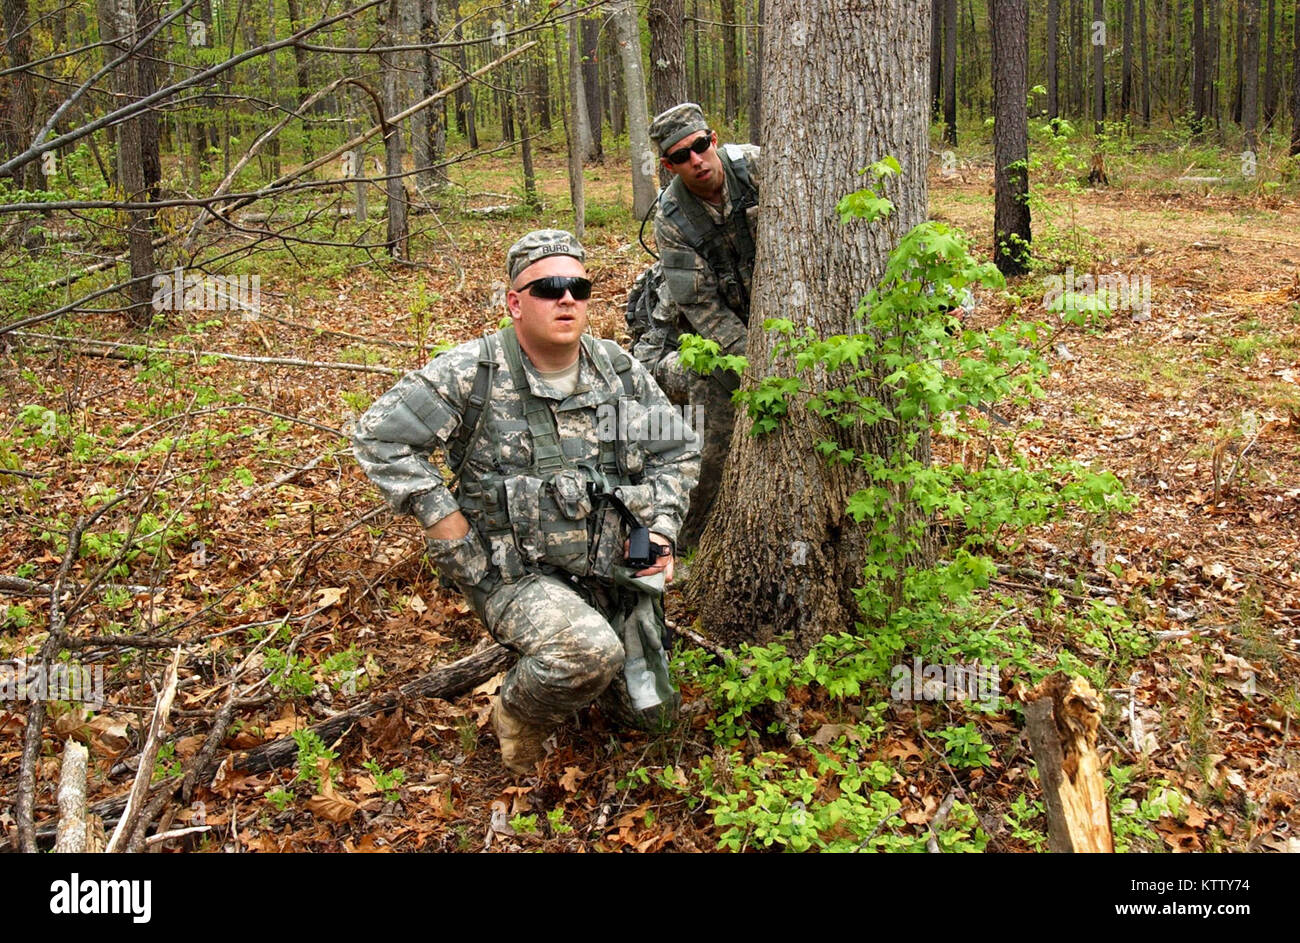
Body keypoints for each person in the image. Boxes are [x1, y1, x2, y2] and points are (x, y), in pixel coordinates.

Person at [352, 230, 700, 775]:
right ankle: (517, 714)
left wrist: (657, 530)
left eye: (578, 287)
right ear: (515, 302)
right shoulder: (472, 372)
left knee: (651, 716)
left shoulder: (619, 371)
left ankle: (585, 651)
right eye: (548, 288)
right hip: (512, 572)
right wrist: (442, 518)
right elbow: (378, 437)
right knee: (588, 654)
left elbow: (676, 451)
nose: (566, 299)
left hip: (612, 563)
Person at [634, 103, 760, 548]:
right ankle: (687, 541)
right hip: (701, 341)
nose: (697, 161)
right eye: (681, 157)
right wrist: (757, 359)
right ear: (668, 166)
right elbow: (701, 308)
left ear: (713, 137)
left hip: (769, 327)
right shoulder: (671, 219)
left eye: (701, 146)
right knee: (713, 415)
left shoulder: (757, 168)